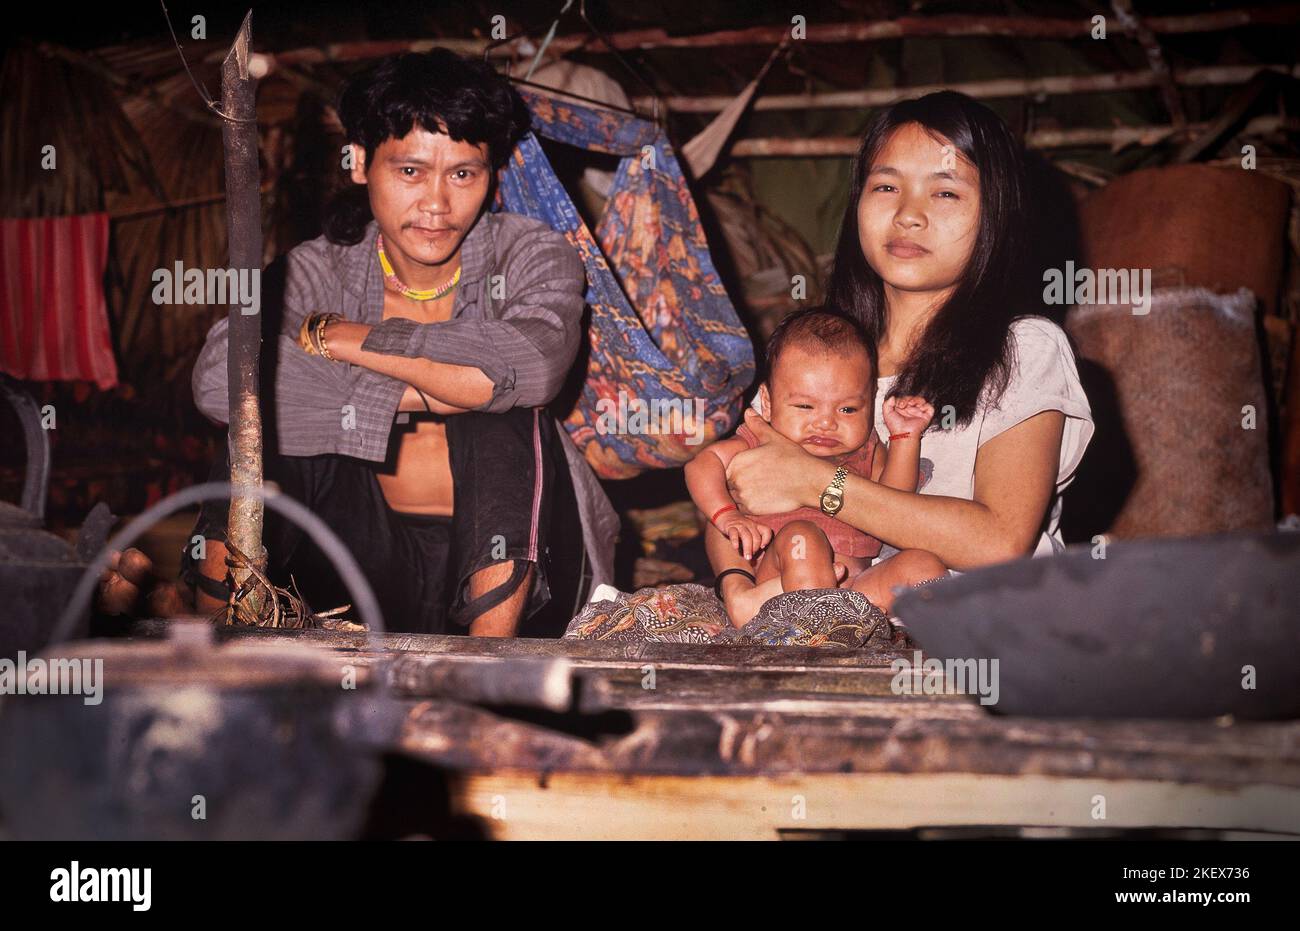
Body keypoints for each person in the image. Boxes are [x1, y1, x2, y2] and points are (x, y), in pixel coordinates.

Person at [146, 49, 618, 637]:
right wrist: (442, 382)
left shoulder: (531, 252)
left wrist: (342, 339)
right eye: (411, 171)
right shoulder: (317, 269)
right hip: (358, 567)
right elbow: (222, 381)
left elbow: (532, 367)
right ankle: (222, 631)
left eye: (463, 174)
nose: (437, 205)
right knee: (263, 421)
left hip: (527, 579)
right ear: (362, 163)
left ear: (490, 174)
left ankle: (491, 668)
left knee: (502, 411)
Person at [718, 91, 1095, 625]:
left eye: (945, 193)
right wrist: (733, 582)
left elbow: (999, 539)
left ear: (995, 215)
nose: (908, 215)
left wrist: (815, 483)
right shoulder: (825, 359)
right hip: (826, 635)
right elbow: (737, 491)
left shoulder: (1023, 350)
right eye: (887, 186)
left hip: (988, 635)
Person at [686, 308, 945, 624]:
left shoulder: (867, 448)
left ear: (871, 403)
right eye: (805, 406)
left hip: (854, 590)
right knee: (804, 538)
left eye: (848, 409)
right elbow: (702, 464)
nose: (825, 422)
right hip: (779, 586)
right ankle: (807, 629)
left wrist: (904, 437)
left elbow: (896, 502)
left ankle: (848, 626)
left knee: (923, 567)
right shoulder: (761, 440)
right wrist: (727, 516)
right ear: (767, 403)